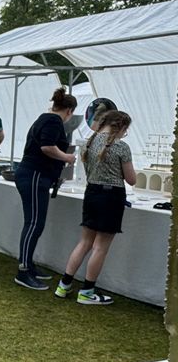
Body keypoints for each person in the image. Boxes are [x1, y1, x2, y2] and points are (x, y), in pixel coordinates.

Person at [54, 110, 136, 305]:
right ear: (121, 127)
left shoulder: (89, 143)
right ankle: (87, 291)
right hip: (111, 196)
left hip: (92, 193)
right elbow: (131, 179)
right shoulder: (121, 147)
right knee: (100, 247)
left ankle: (64, 285)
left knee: (84, 242)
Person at [14, 87, 78, 290]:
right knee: (33, 223)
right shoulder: (53, 121)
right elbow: (47, 147)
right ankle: (23, 270)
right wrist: (67, 157)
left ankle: (29, 265)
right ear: (69, 110)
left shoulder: (46, 119)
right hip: (34, 175)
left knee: (36, 223)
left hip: (37, 175)